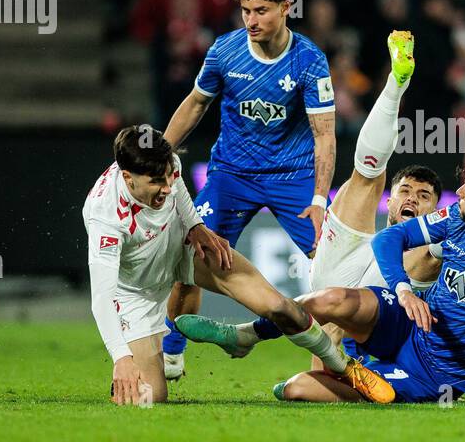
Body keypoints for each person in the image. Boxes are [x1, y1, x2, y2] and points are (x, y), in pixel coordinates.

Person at [188, 158, 465, 407]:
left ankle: (353, 371)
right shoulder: (458, 219)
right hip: (409, 328)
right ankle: (246, 336)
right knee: (331, 298)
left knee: (296, 389)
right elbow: (390, 237)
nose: (457, 192)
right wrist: (402, 289)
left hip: (442, 378)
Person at [176, 32, 446, 396]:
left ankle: (245, 334)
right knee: (367, 174)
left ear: (436, 208)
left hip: (375, 323)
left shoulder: (437, 244)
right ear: (391, 201)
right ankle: (396, 83)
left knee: (294, 388)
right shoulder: (380, 218)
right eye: (405, 192)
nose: (413, 198)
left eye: (424, 195)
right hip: (348, 262)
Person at [83, 126, 391, 405]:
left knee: (279, 307)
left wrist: (195, 226)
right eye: (156, 182)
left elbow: (179, 192)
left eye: (168, 175)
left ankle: (345, 368)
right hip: (137, 291)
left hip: (182, 248)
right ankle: (136, 369)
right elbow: (102, 298)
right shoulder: (105, 216)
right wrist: (121, 357)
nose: (166, 186)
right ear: (127, 178)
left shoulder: (164, 163)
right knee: (150, 397)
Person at [157, 0, 337, 379]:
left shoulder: (309, 60)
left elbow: (324, 135)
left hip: (292, 178)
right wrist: (162, 153)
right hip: (230, 176)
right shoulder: (226, 50)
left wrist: (317, 199)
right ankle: (170, 350)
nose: (251, 20)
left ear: (286, 7)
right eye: (246, 10)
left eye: (262, 10)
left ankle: (331, 367)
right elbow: (197, 103)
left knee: (333, 267)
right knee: (191, 260)